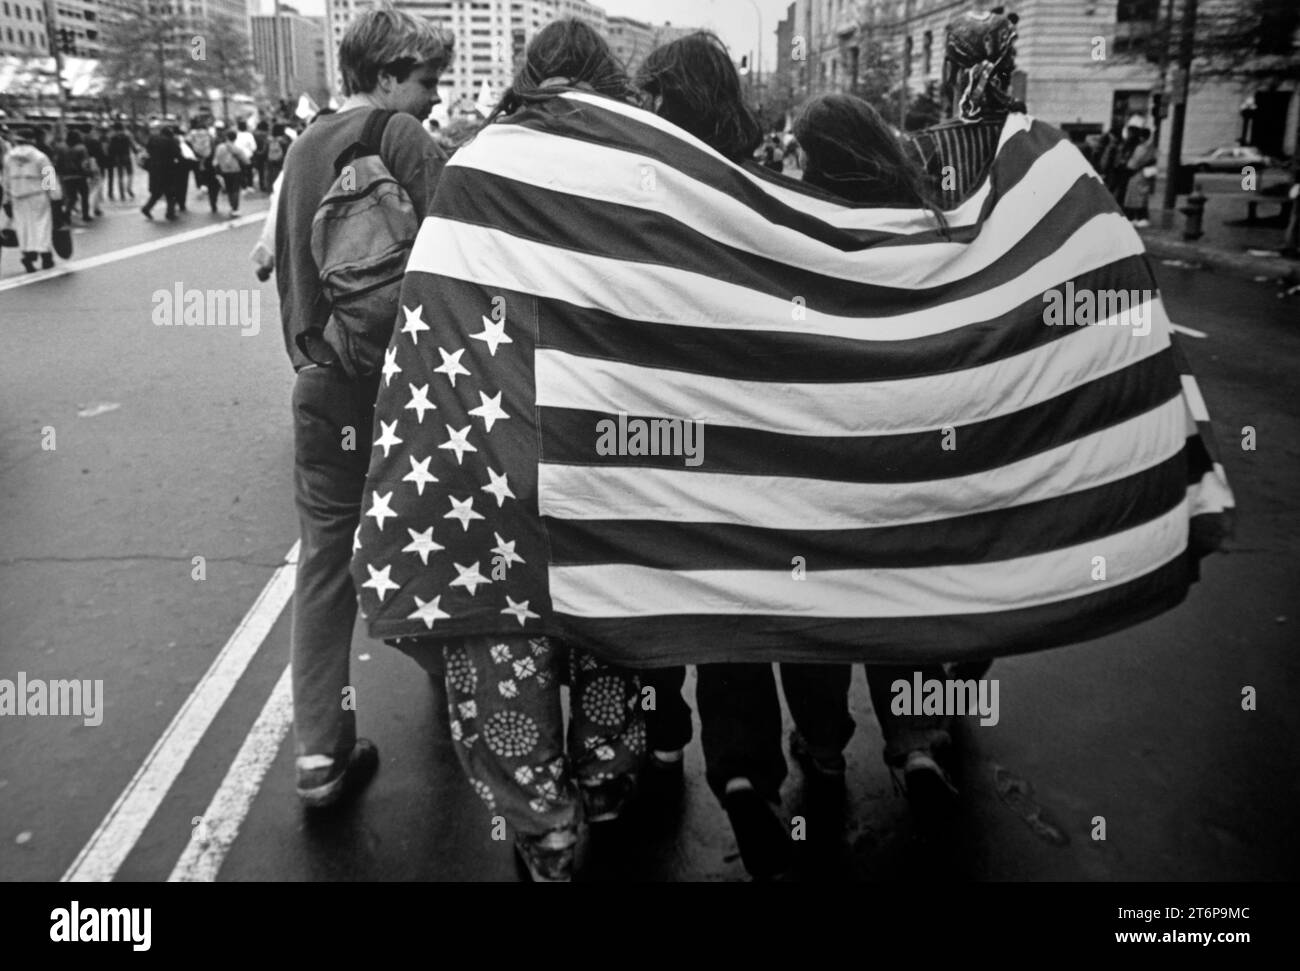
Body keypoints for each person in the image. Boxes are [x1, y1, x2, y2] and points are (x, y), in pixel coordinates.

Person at [386, 16, 644, 884]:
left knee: (503, 636)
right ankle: (607, 778)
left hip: (488, 444)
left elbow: (429, 324)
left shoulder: (475, 167)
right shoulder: (643, 170)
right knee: (614, 622)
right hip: (613, 445)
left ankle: (545, 828)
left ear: (526, 76)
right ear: (607, 76)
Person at [635, 30, 856, 881]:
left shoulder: (648, 189)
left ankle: (738, 768)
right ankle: (825, 750)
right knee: (800, 593)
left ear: (666, 100)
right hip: (782, 434)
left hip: (686, 435)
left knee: (723, 598)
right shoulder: (772, 189)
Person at [274, 6, 453, 814]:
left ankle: (318, 754)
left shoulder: (303, 145)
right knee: (436, 544)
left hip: (317, 388)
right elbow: (461, 254)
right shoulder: (402, 138)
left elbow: (291, 279)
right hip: (400, 390)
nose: (432, 97)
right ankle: (464, 689)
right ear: (386, 75)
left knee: (323, 569)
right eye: (425, 80)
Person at [910, 5, 1023, 210]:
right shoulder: (1035, 138)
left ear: (950, 73)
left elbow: (942, 201)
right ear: (1008, 73)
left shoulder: (934, 146)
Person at [1, 127, 62, 272]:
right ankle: (46, 256)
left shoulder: (8, 157)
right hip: (37, 196)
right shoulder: (40, 157)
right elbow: (49, 180)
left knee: (23, 228)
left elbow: (6, 180)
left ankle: (28, 255)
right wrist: (56, 198)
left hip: (17, 198)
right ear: (32, 140)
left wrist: (6, 200)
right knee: (42, 225)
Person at [141, 125, 181, 220]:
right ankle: (170, 213)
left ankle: (147, 208)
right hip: (167, 170)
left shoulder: (153, 139)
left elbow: (148, 150)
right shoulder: (171, 141)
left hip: (154, 169)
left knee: (156, 192)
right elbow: (177, 154)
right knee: (170, 192)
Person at [55, 128, 92, 223]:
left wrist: (59, 174)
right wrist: (89, 172)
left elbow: (57, 162)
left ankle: (66, 214)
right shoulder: (81, 148)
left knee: (71, 197)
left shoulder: (61, 147)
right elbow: (85, 163)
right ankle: (85, 215)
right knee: (84, 196)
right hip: (80, 176)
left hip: (66, 176)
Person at [1122, 126, 1156, 226]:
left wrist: (1127, 166)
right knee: (1142, 196)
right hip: (1144, 175)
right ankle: (1141, 217)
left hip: (1137, 174)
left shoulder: (1141, 147)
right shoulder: (1151, 147)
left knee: (1134, 197)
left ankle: (1136, 217)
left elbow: (1134, 162)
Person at [212, 129, 248, 217]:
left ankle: (232, 206)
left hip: (224, 171)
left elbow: (215, 161)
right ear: (235, 138)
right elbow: (246, 161)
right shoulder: (236, 148)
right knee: (235, 190)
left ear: (226, 137)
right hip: (235, 171)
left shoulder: (220, 147)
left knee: (229, 190)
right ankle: (235, 208)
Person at [105, 122, 136, 201]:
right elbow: (132, 145)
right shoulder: (128, 135)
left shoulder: (111, 136)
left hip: (117, 158)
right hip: (126, 156)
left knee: (120, 176)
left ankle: (122, 195)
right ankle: (129, 188)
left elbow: (109, 148)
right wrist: (135, 151)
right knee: (130, 174)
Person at [235, 120, 258, 190]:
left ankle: (243, 186)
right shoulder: (249, 135)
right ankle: (250, 186)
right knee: (249, 172)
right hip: (249, 156)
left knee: (241, 172)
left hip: (239, 156)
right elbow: (254, 147)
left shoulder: (236, 135)